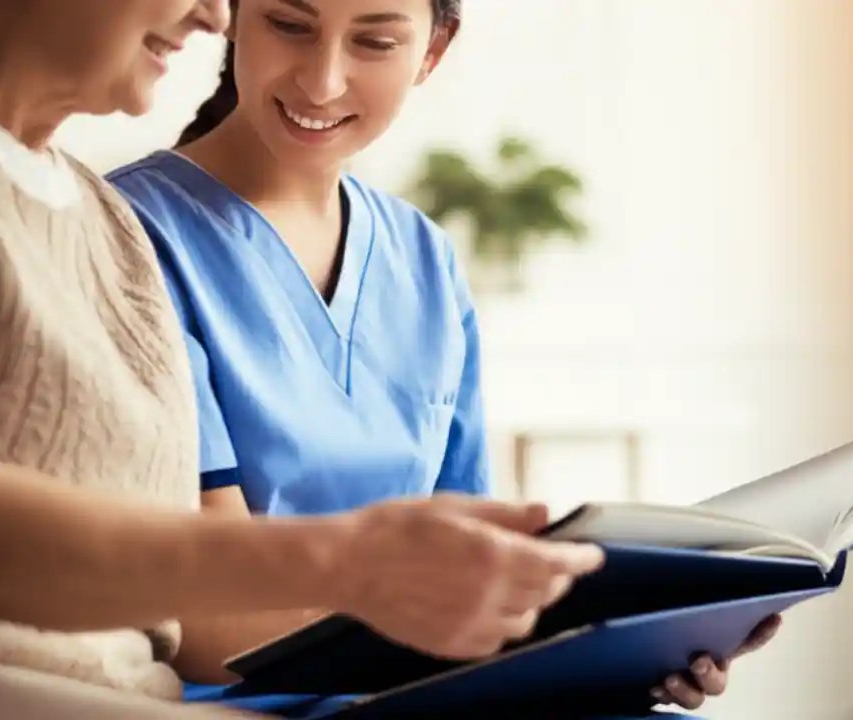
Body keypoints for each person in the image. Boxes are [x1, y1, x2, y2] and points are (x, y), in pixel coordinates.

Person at [0, 1, 608, 718]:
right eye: (284, 21)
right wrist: (356, 566)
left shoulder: (96, 217)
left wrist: (594, 645)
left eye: (374, 40)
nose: (215, 14)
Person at [108, 0, 781, 716]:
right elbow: (209, 623)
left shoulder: (423, 257)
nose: (322, 81)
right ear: (234, 16)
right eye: (290, 26)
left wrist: (635, 645)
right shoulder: (132, 234)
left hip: (430, 686)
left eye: (374, 41)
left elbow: (475, 559)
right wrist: (500, 633)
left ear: (431, 53)